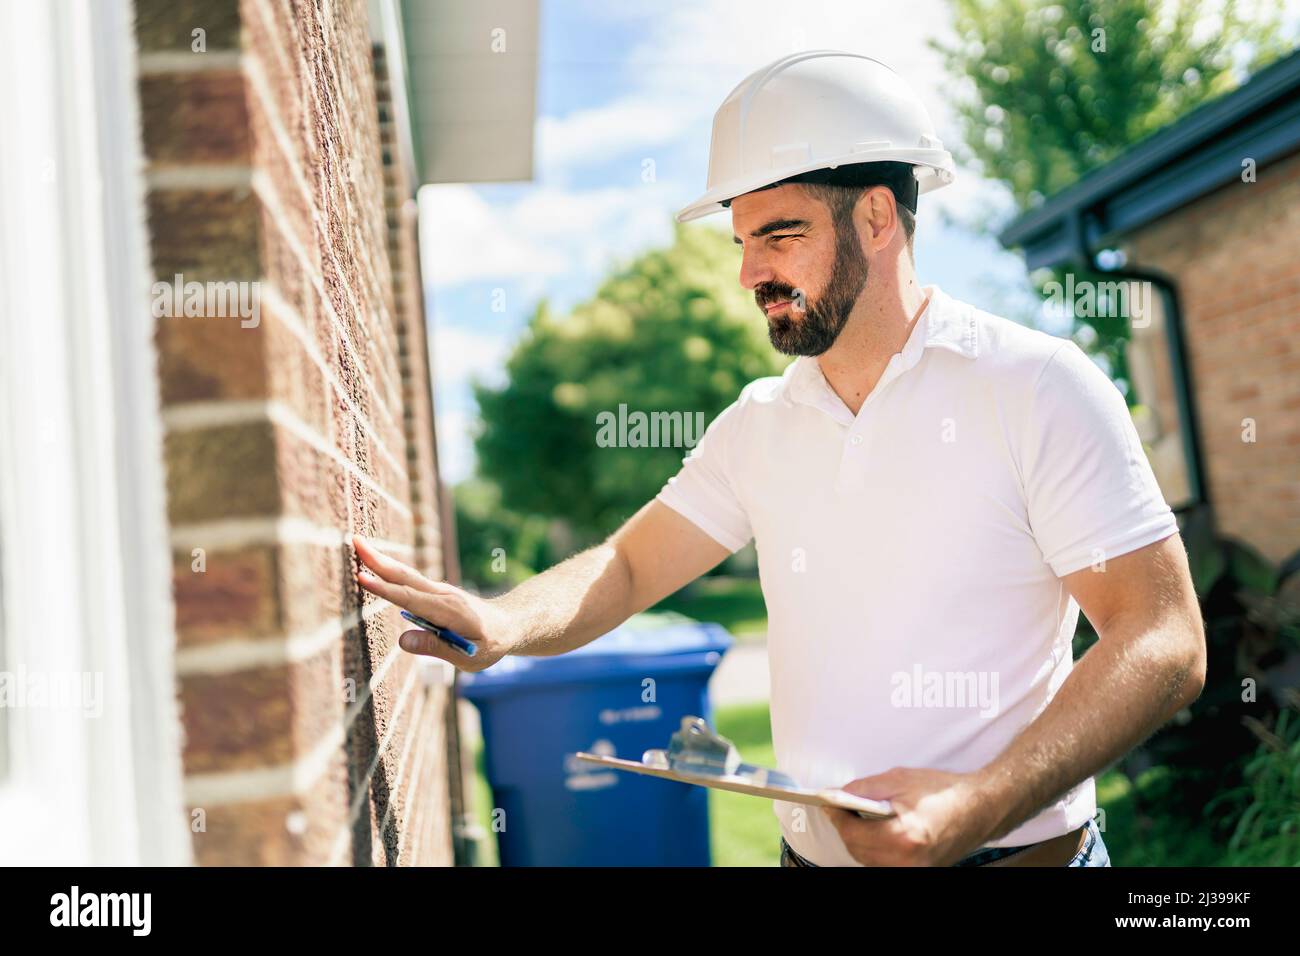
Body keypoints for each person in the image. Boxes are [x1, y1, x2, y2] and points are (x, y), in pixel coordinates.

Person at [354, 51, 1206, 867]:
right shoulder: (758, 423)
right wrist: (504, 622)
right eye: (742, 243)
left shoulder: (1036, 386)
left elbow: (1163, 638)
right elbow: (624, 567)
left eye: (781, 235)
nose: (750, 273)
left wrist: (977, 805)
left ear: (876, 217)